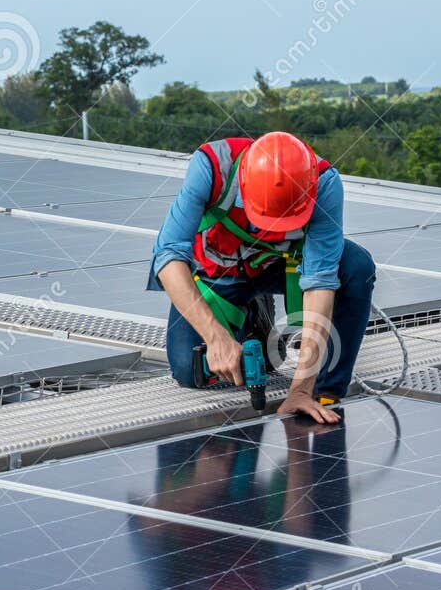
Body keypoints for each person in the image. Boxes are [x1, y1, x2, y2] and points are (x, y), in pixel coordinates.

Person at [148, 131, 376, 424]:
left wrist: (301, 388)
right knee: (190, 370)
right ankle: (254, 319)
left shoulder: (324, 182)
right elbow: (168, 258)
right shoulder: (210, 166)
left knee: (355, 266)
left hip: (285, 267)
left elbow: (320, 281)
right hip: (222, 272)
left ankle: (326, 387)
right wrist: (216, 339)